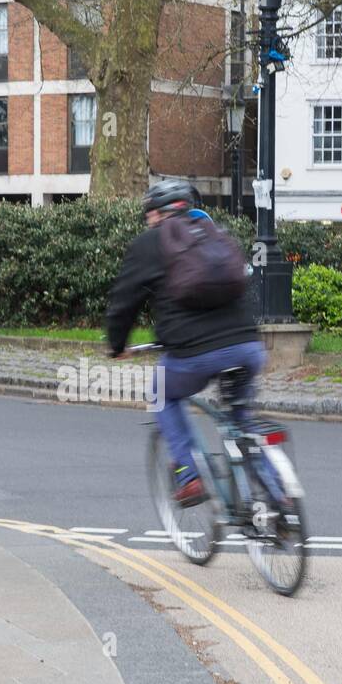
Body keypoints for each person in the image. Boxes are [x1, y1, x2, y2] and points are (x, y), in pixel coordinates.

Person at [105, 178, 265, 506]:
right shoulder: (215, 234)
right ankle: (282, 503)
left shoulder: (150, 243)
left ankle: (188, 476)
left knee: (161, 391)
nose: (148, 220)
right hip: (248, 345)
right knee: (242, 421)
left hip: (193, 354)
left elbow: (124, 302)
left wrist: (116, 345)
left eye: (148, 214)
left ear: (156, 213)